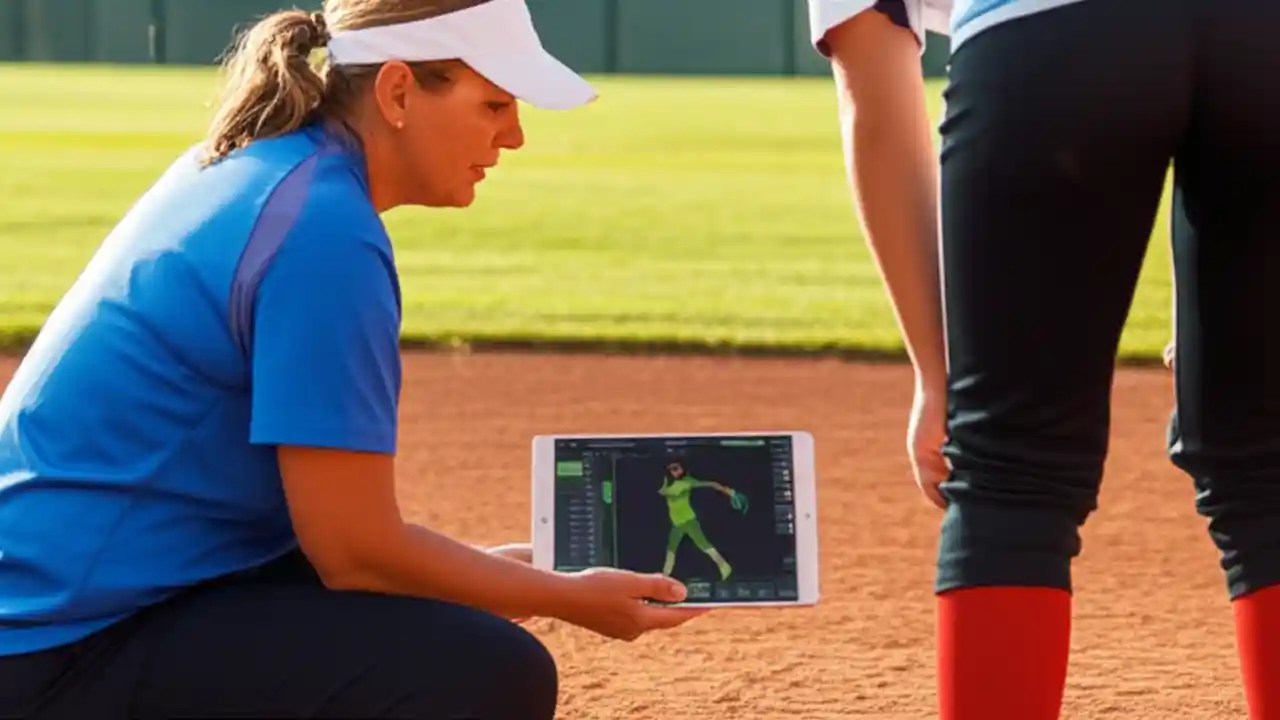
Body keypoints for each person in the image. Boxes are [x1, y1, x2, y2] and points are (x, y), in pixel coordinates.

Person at [0, 1, 708, 718]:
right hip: (53, 655)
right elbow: (354, 553)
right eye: (494, 102)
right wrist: (564, 597)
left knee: (458, 624)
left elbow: (329, 543)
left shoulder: (264, 165)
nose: (516, 135)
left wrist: (497, 572)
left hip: (71, 607)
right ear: (397, 91)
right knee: (486, 671)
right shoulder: (324, 232)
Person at [808, 0, 1280, 718]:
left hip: (1052, 33)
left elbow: (868, 69)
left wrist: (942, 377)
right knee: (1273, 473)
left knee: (1009, 477)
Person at [658, 461, 745, 580]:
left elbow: (711, 484)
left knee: (703, 544)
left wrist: (728, 491)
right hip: (676, 523)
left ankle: (724, 566)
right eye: (671, 469)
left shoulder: (687, 482)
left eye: (677, 468)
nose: (675, 471)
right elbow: (663, 491)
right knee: (671, 548)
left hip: (689, 520)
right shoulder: (667, 482)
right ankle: (664, 576)